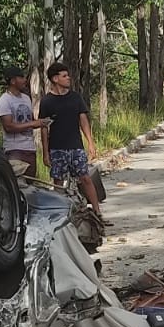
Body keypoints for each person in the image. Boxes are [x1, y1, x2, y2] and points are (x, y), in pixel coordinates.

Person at [40, 62, 107, 223]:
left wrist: (90, 142)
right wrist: (45, 152)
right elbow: (43, 128)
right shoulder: (47, 101)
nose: (68, 78)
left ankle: (97, 213)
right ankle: (59, 217)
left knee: (85, 178)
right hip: (57, 149)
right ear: (55, 79)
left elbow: (83, 120)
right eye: (64, 76)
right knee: (58, 182)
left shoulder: (75, 98)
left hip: (76, 146)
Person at [0, 66, 47, 173]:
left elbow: (30, 120)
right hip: (15, 150)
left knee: (30, 182)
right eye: (21, 78)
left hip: (30, 149)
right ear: (13, 81)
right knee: (18, 183)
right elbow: (8, 127)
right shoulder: (4, 100)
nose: (25, 80)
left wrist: (41, 122)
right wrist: (32, 124)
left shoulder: (26, 98)